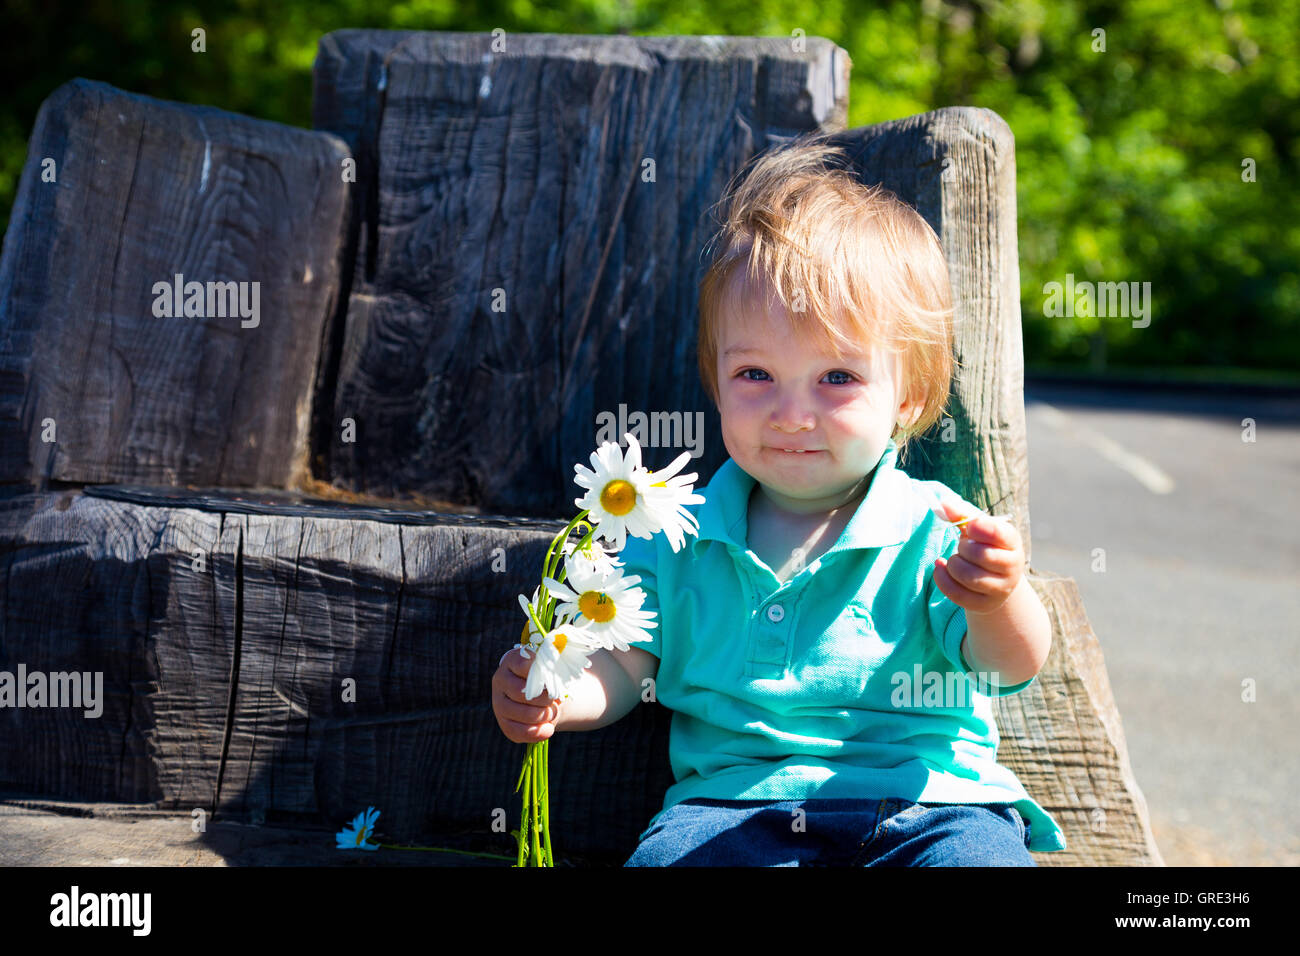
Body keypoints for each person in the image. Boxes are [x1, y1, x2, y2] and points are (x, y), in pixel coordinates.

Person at [491, 133, 1066, 865]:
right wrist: (555, 695)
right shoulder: (676, 530)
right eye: (756, 375)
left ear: (910, 394)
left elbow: (1008, 667)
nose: (792, 414)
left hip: (933, 807)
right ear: (716, 379)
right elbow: (627, 666)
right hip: (735, 809)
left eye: (837, 378)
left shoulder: (933, 523)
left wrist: (996, 599)